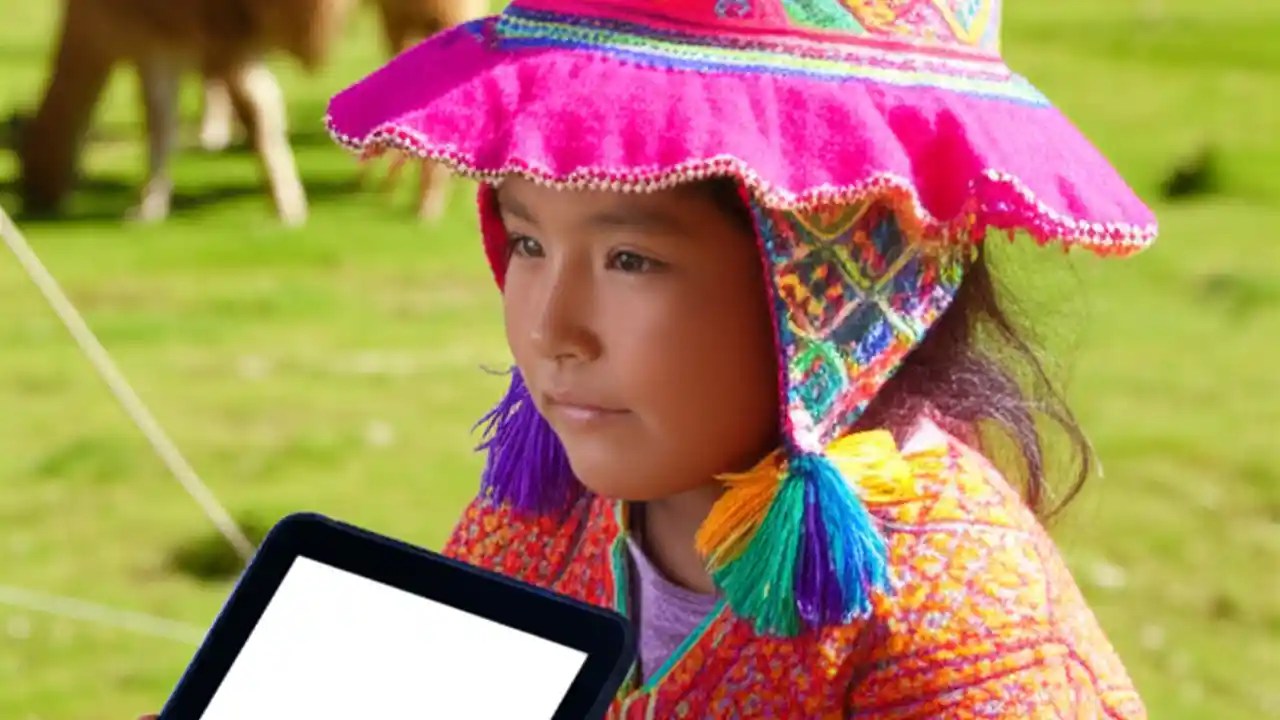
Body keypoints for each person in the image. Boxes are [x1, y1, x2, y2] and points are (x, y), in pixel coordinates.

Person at [145, 0, 1158, 717]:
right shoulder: (540, 525)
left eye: (630, 258)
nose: (550, 327)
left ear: (838, 283)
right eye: (527, 242)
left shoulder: (967, 633)